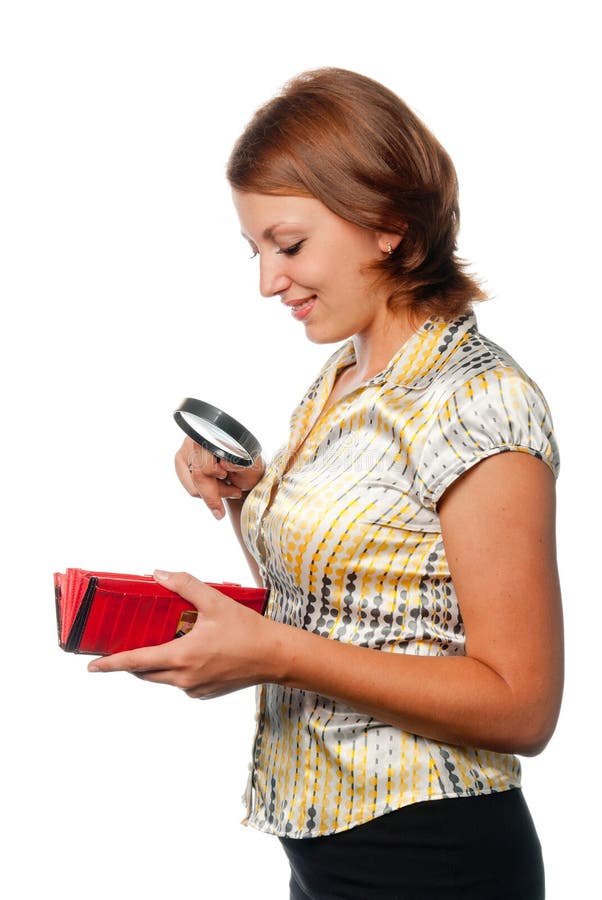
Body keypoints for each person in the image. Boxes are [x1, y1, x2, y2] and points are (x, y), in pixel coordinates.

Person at [89, 68, 563, 899]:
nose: (269, 281)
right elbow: (333, 606)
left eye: (289, 245)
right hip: (323, 850)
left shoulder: (480, 400)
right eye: (258, 251)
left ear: (388, 224)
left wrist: (274, 654)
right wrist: (246, 493)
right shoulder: (343, 377)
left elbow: (521, 706)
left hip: (434, 861)